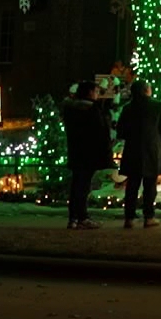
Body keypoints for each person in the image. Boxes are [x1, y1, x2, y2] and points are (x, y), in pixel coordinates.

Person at [116, 80, 161, 228]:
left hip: (133, 151)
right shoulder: (158, 106)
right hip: (152, 150)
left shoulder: (128, 108)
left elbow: (120, 132)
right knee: (150, 185)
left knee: (132, 185)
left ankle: (129, 218)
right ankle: (149, 217)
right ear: (146, 90)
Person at [60, 80, 113, 229]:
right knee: (83, 186)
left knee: (77, 184)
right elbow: (101, 131)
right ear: (90, 93)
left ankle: (73, 218)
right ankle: (82, 216)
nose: (97, 95)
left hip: (76, 151)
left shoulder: (71, 109)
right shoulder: (92, 110)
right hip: (89, 152)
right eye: (96, 92)